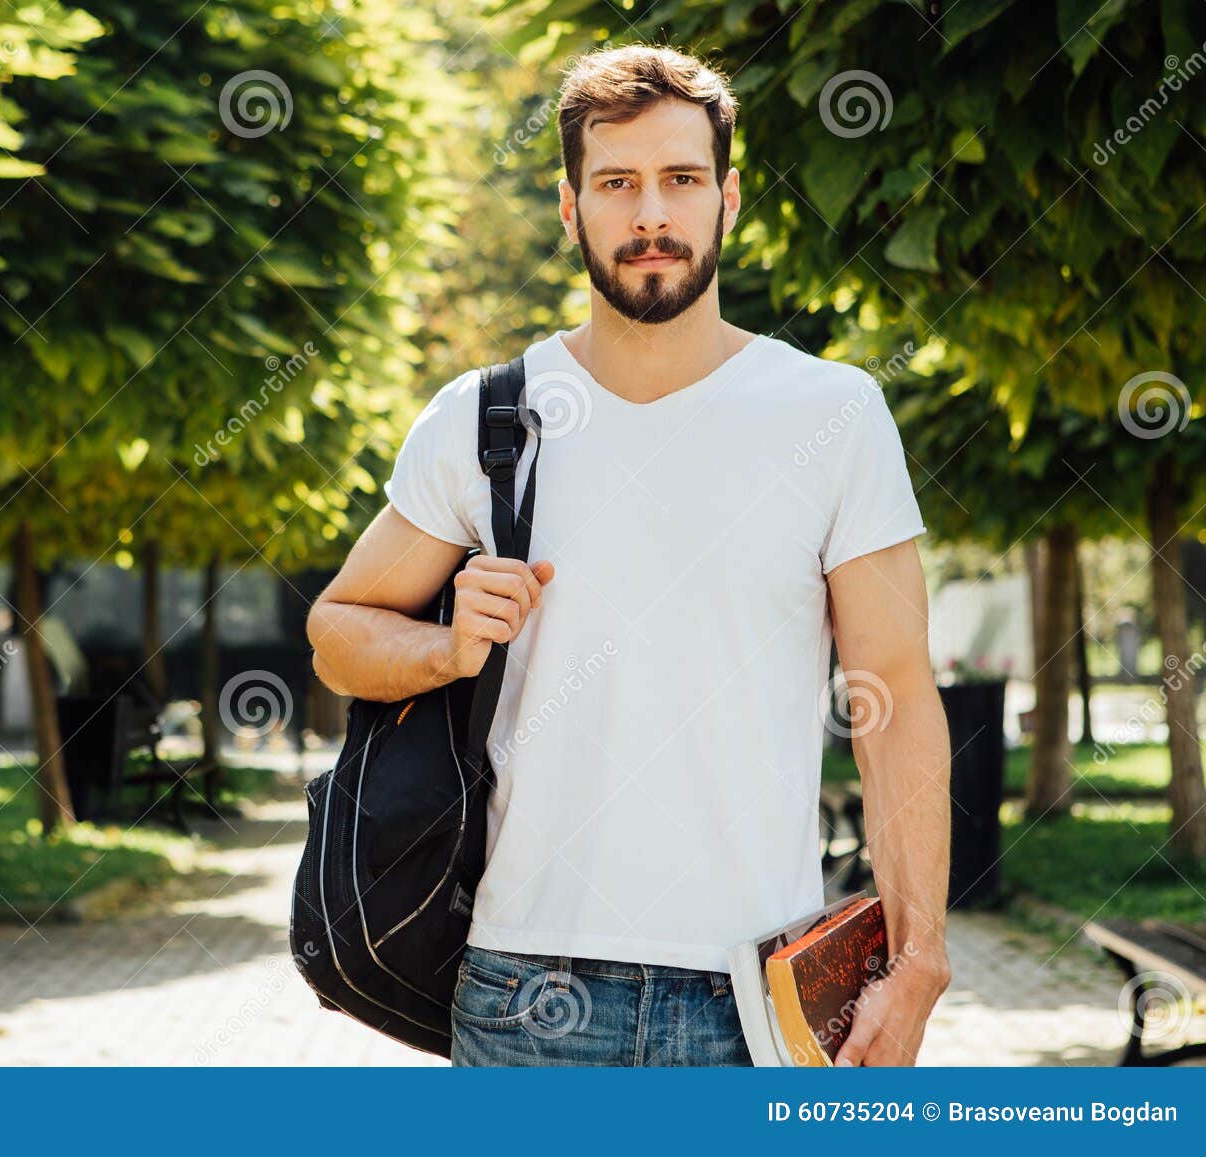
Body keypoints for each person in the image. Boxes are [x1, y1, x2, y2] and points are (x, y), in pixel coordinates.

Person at [306, 43, 951, 1068]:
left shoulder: (832, 414)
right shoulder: (488, 418)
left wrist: (916, 962)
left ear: (727, 199)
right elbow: (336, 634)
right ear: (571, 207)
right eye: (616, 183)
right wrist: (443, 648)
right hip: (526, 990)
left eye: (680, 180)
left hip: (760, 1002)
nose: (650, 214)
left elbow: (898, 696)